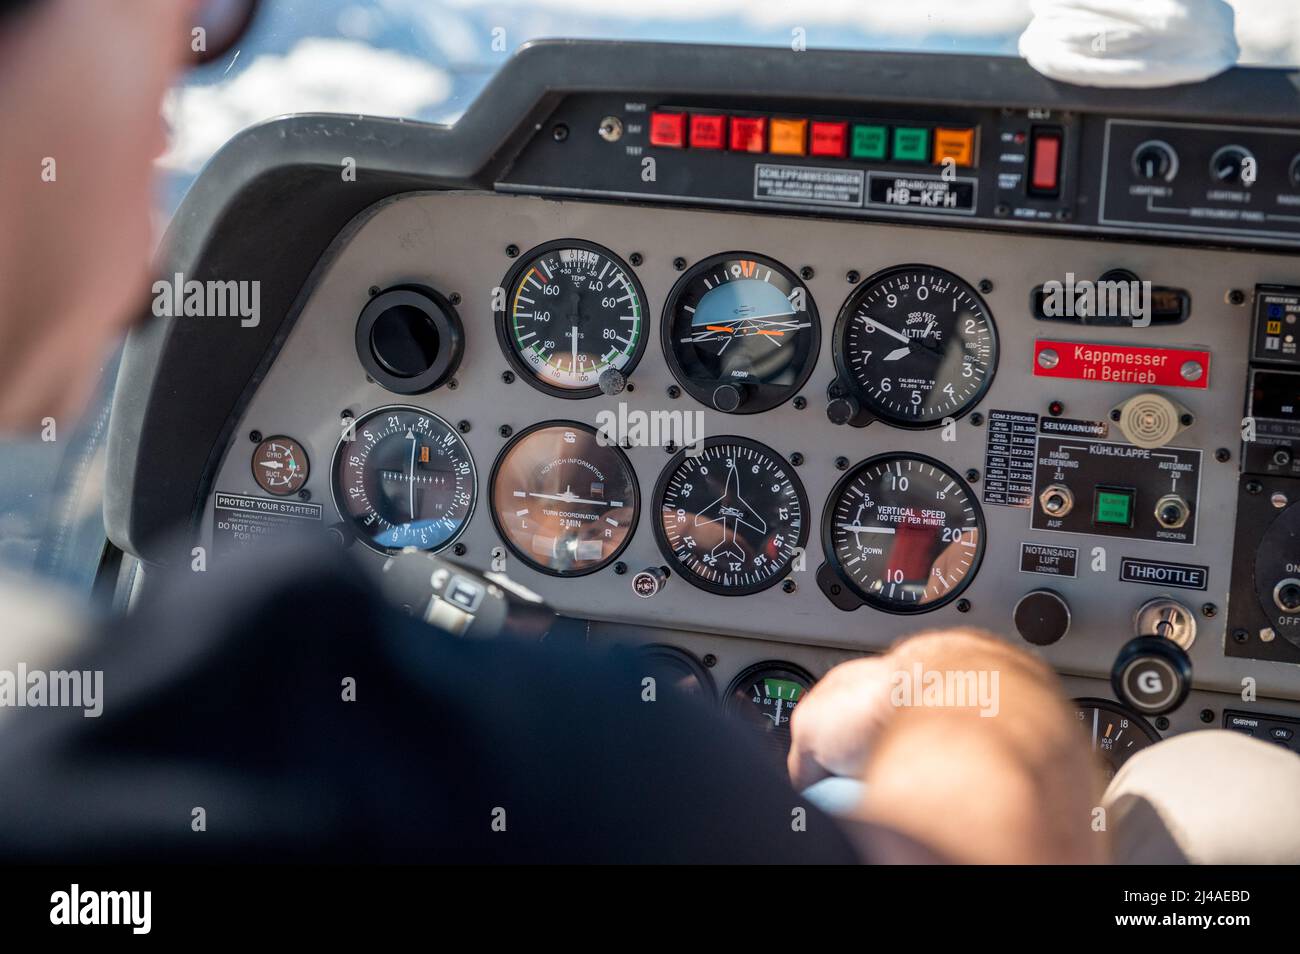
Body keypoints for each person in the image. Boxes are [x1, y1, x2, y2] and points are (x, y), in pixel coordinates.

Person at [0, 0, 1289, 866]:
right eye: (196, 15)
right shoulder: (374, 753)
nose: (180, 54)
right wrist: (984, 717)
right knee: (1228, 813)